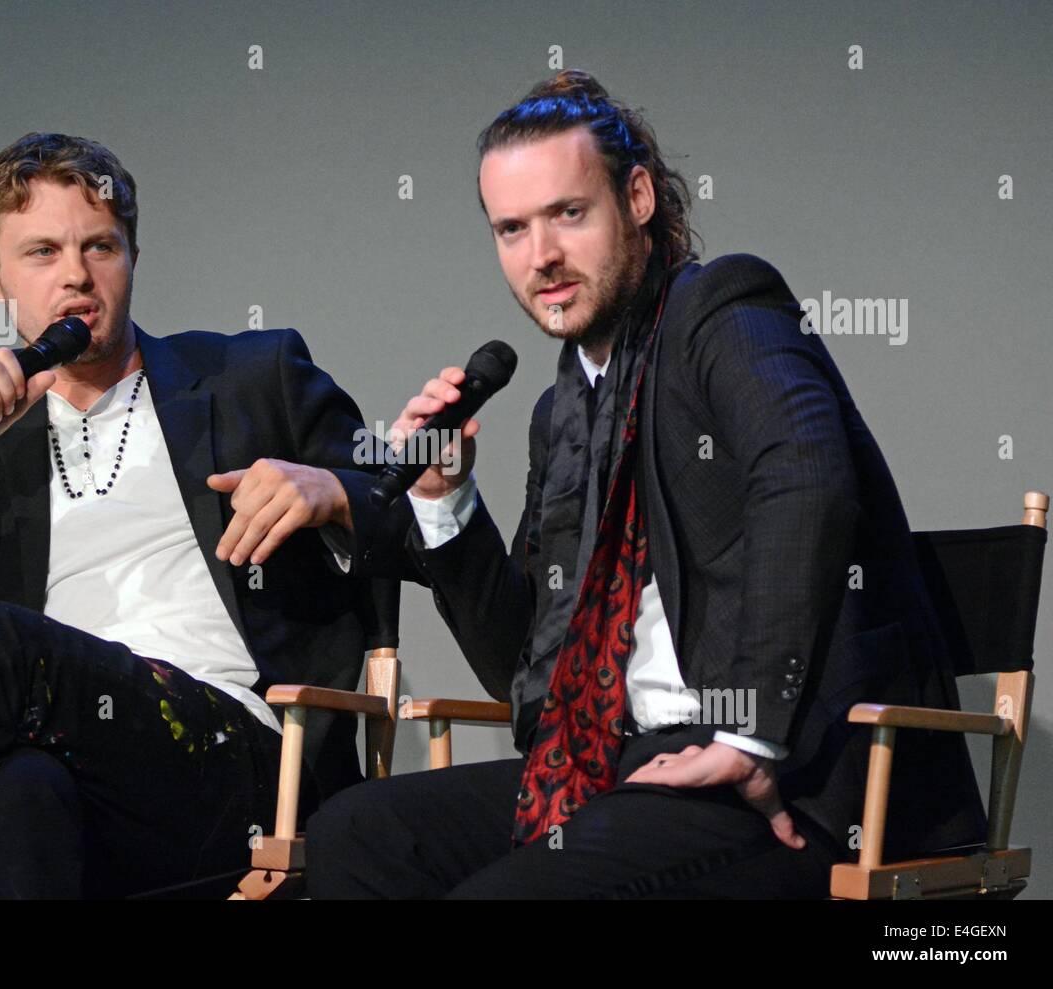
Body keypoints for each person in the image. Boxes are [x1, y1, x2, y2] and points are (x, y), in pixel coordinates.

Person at [305, 71, 988, 898]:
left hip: (786, 780)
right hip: (620, 762)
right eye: (512, 229)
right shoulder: (564, 413)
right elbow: (525, 669)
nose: (541, 256)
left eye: (568, 213)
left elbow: (805, 480)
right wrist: (442, 498)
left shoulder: (723, 310)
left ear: (636, 198)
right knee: (357, 834)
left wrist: (750, 733)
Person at [0, 132, 384, 899]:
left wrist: (334, 492)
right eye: (42, 253)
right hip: (63, 769)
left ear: (132, 253)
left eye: (100, 247)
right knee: (19, 795)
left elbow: (410, 513)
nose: (76, 278)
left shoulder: (250, 376)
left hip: (234, 759)